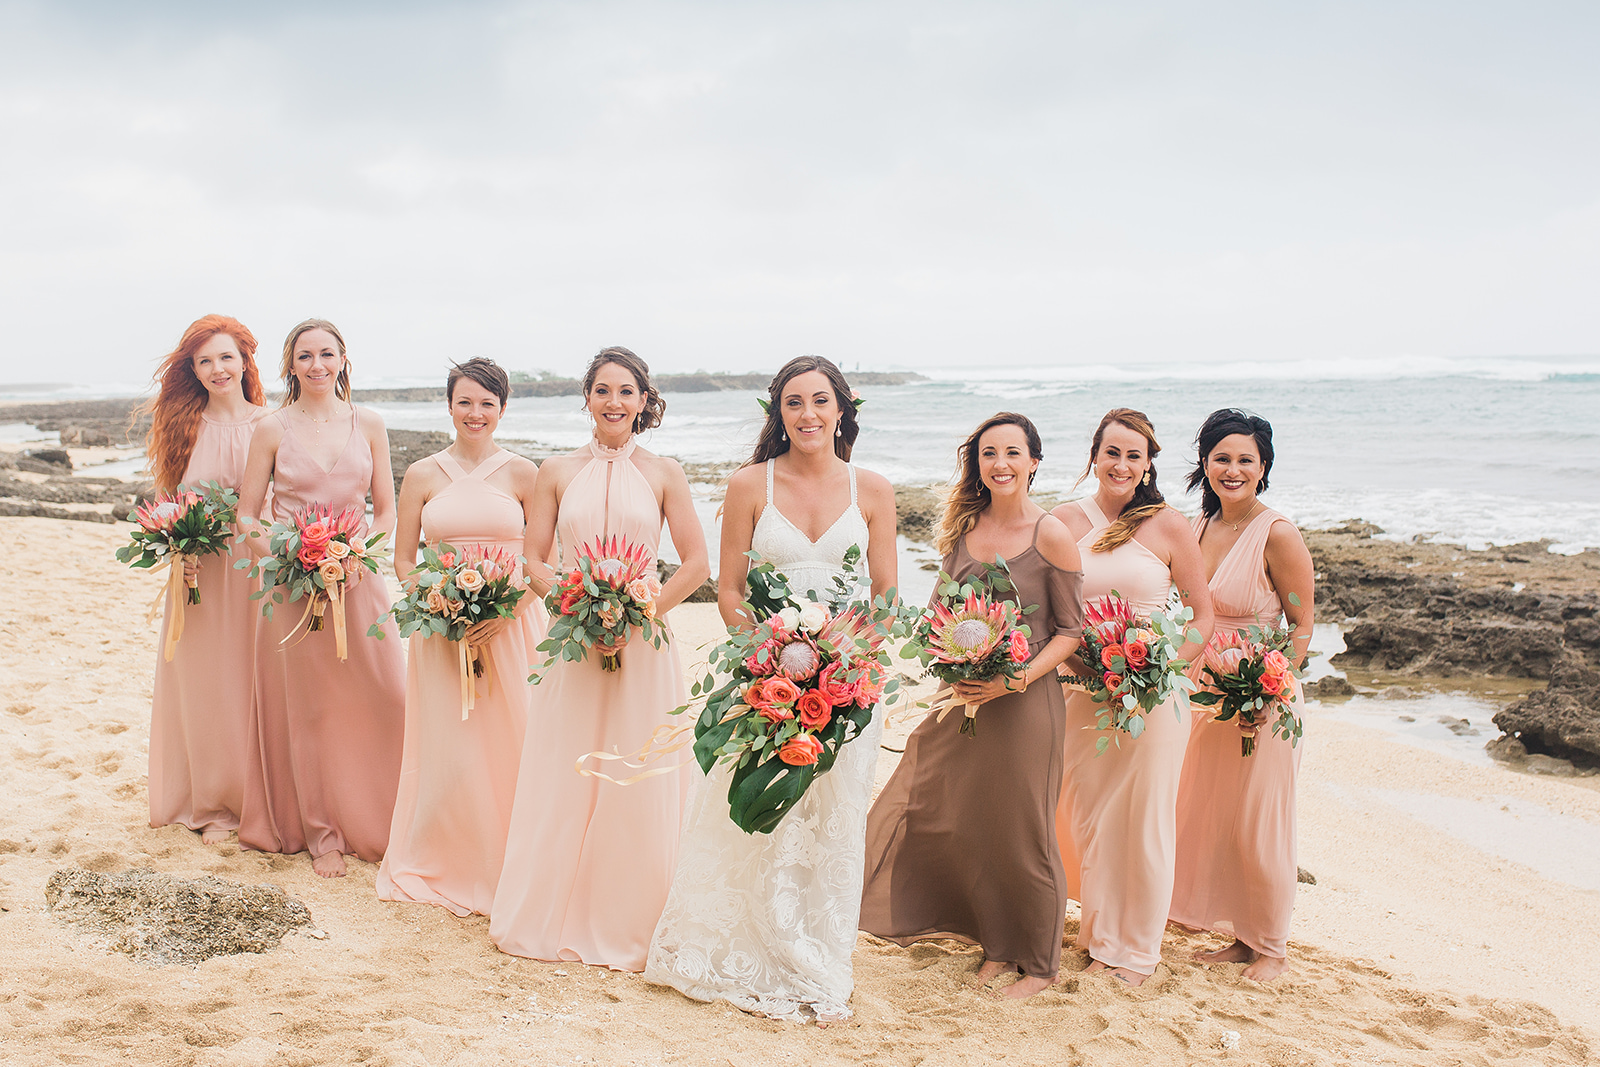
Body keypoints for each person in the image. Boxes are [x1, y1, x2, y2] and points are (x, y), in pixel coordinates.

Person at [645, 356, 899, 1022]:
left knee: (832, 818)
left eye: (820, 400)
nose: (808, 414)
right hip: (765, 680)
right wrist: (770, 660)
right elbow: (729, 591)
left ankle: (817, 952)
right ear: (778, 412)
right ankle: (744, 944)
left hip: (848, 683)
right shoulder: (747, 484)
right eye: (794, 402)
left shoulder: (873, 490)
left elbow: (886, 598)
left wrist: (846, 659)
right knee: (757, 810)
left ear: (842, 409)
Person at [490, 346, 709, 971]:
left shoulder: (665, 472)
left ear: (644, 400)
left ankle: (630, 917)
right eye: (602, 390)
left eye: (626, 391)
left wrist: (642, 611)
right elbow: (533, 558)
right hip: (573, 642)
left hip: (645, 644)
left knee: (638, 768)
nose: (614, 402)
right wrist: (575, 606)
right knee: (566, 766)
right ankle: (550, 912)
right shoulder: (556, 470)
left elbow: (697, 563)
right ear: (587, 398)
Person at [861, 412, 1083, 1000]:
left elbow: (1071, 632)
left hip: (1026, 703)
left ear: (1034, 462)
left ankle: (1040, 965)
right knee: (971, 822)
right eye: (989, 453)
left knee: (1024, 833)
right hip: (962, 699)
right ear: (976, 463)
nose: (1000, 464)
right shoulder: (963, 529)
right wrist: (946, 662)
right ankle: (998, 945)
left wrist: (1015, 680)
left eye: (1013, 453)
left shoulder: (1051, 533)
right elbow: (940, 613)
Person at [235, 318, 406, 879]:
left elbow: (386, 510)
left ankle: (384, 817)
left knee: (384, 695)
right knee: (309, 708)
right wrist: (290, 557)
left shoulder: (370, 423)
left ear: (342, 359)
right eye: (305, 355)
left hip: (359, 582)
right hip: (293, 588)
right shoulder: (271, 428)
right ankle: (321, 832)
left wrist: (360, 555)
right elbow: (247, 516)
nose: (317, 365)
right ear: (290, 364)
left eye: (326, 354)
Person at [376, 358, 545, 916]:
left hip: (511, 627)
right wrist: (437, 603)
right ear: (449, 406)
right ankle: (452, 855)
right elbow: (404, 559)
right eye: (465, 402)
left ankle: (513, 860)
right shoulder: (422, 474)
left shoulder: (524, 473)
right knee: (451, 744)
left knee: (514, 738)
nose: (476, 413)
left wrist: (508, 611)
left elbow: (545, 558)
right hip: (441, 629)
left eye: (487, 403)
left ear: (502, 409)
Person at [1052, 408, 1214, 986]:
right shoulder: (1063, 521)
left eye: (1133, 455)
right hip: (1082, 689)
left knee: (1144, 823)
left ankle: (1136, 951)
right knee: (1092, 819)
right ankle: (1101, 940)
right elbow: (1050, 615)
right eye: (1112, 452)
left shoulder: (1170, 525)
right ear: (1094, 456)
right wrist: (1088, 669)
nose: (1121, 465)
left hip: (1155, 698)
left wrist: (1165, 669)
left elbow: (1202, 615)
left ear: (1148, 465)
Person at [1170, 409, 1315, 981]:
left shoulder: (1277, 533)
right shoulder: (1198, 526)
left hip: (1261, 693)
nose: (1233, 470)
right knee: (1215, 814)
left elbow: (1302, 626)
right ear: (1205, 463)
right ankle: (1240, 936)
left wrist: (1269, 690)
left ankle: (1271, 947)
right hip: (1204, 690)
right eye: (1222, 458)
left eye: (1245, 460)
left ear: (1263, 466)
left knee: (1260, 820)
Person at [141, 315, 270, 845]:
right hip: (202, 573)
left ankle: (262, 798)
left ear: (244, 361)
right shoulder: (183, 428)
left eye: (226, 357)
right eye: (205, 361)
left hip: (259, 570)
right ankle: (215, 802)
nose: (218, 369)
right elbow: (169, 506)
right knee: (207, 683)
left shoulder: (273, 424)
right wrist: (177, 553)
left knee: (255, 681)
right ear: (193, 370)